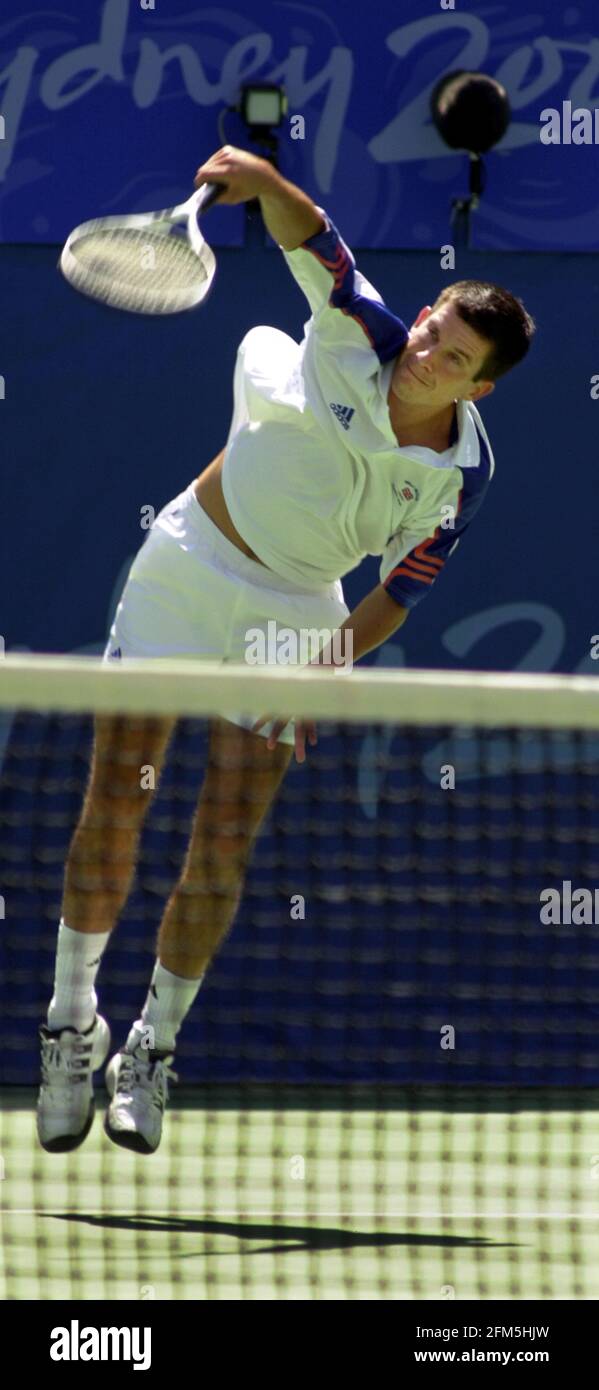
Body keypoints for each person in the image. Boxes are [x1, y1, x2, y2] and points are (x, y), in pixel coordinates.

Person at [36, 145, 535, 1154]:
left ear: (475, 390)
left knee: (222, 834)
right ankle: (69, 1021)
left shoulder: (457, 480)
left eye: (449, 358)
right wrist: (262, 182)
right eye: (433, 325)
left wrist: (330, 656)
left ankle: (153, 1045)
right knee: (118, 797)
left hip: (298, 611)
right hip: (189, 568)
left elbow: (397, 590)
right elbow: (315, 236)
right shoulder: (357, 323)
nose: (425, 351)